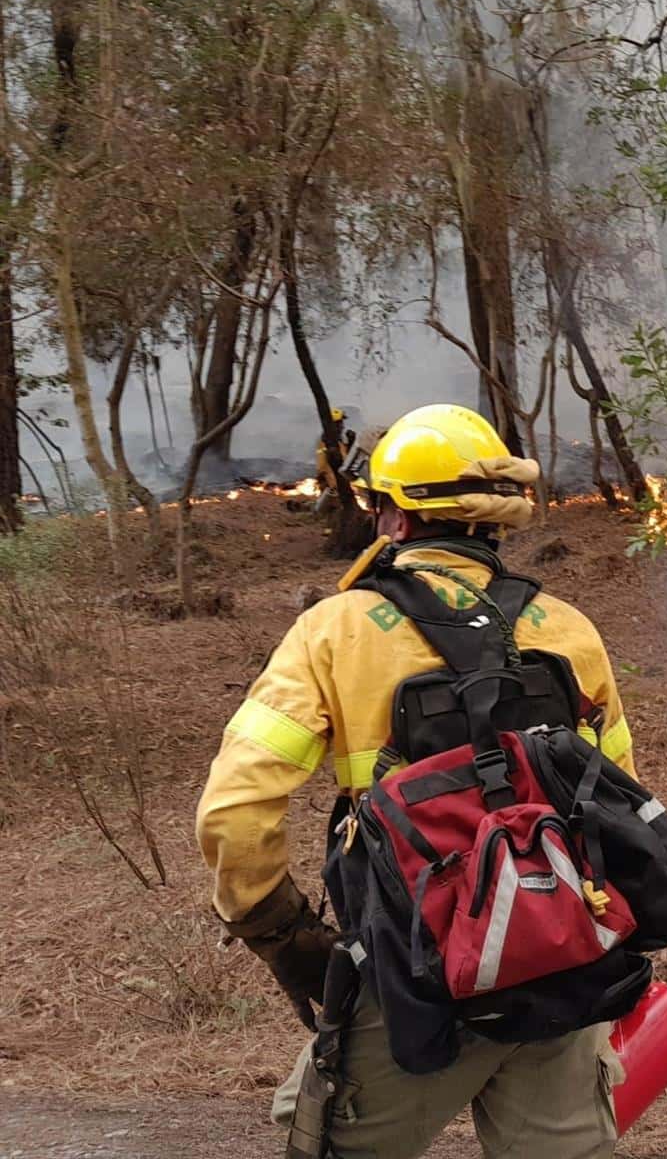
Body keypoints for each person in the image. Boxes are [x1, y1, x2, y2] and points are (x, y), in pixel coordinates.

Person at [195, 403, 636, 1158]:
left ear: (395, 519)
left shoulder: (335, 631)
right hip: (560, 962)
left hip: (410, 971)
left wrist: (283, 936)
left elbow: (235, 811)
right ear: (493, 516)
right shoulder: (568, 630)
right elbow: (620, 799)